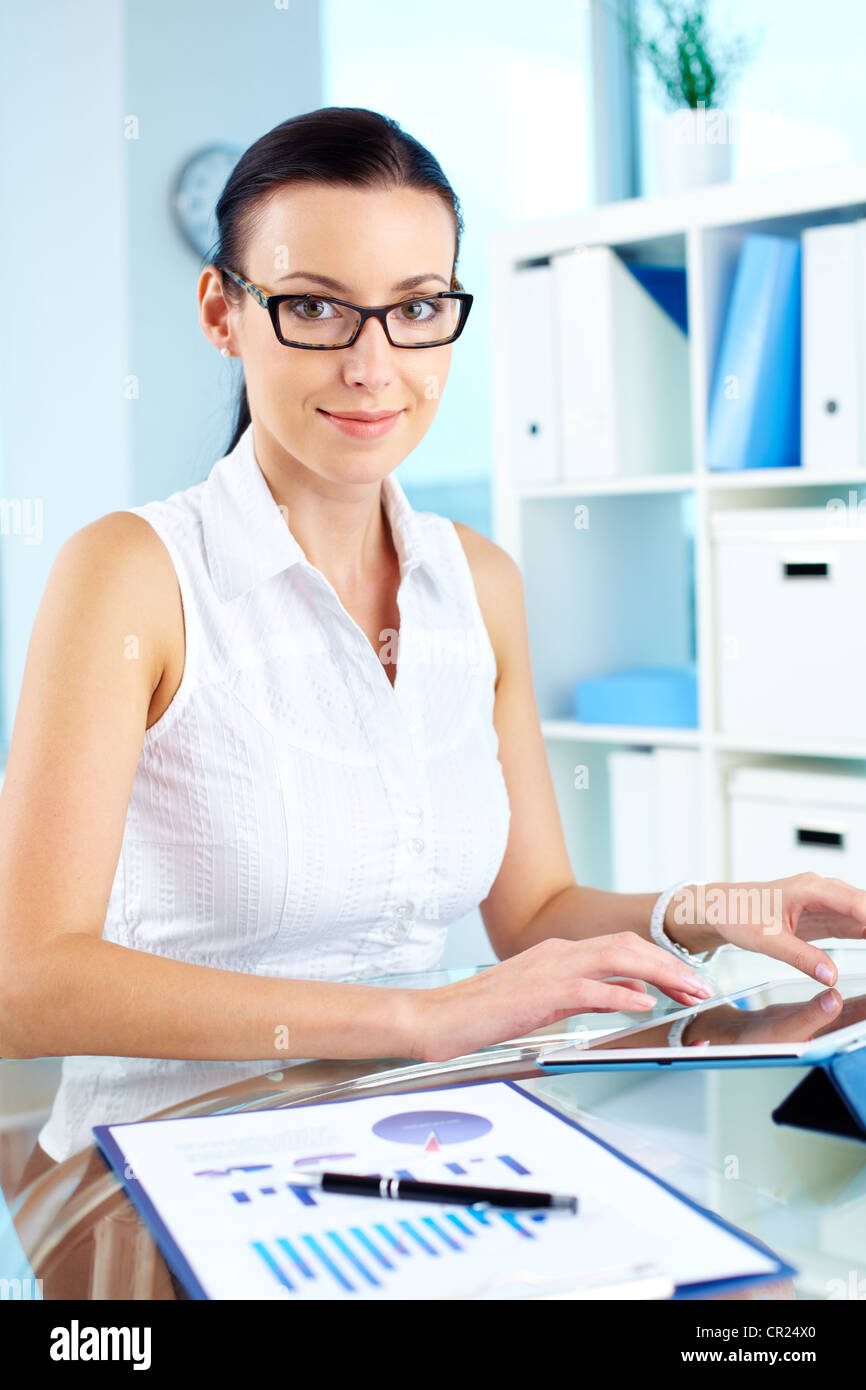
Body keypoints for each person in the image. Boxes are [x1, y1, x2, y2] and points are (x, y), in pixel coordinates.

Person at [1, 106, 864, 1087]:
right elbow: (24, 985)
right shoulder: (132, 575)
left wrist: (717, 908)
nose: (373, 368)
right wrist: (418, 1016)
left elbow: (533, 913)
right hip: (163, 1159)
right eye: (316, 307)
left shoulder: (478, 582)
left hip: (417, 1132)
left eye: (414, 309)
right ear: (220, 312)